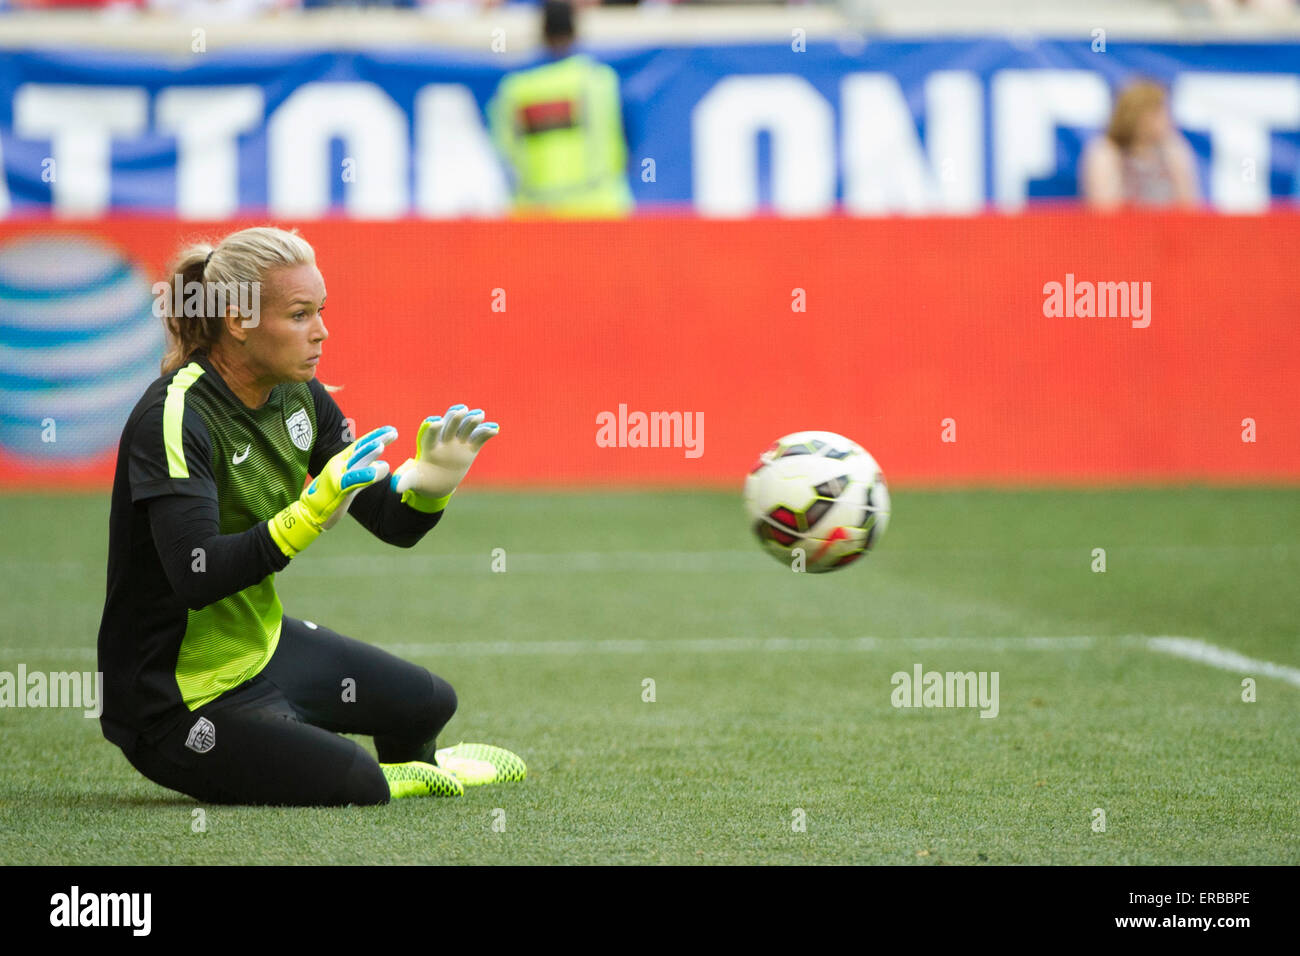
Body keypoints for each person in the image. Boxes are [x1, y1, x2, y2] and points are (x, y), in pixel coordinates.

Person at [97, 225, 524, 806]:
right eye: (300, 315)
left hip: (262, 651)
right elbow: (196, 575)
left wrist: (430, 484)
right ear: (239, 321)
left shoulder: (300, 394)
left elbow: (390, 523)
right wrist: (307, 515)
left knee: (429, 701)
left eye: (320, 310)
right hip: (175, 700)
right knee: (353, 779)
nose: (322, 332)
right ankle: (377, 776)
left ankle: (414, 765)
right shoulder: (174, 416)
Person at [487, 0, 634, 218]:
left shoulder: (514, 89)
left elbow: (503, 148)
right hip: (599, 212)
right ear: (576, 31)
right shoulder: (601, 81)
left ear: (542, 33)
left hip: (536, 215)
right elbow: (631, 139)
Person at [1080, 79, 1200, 210]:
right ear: (1140, 116)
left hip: (1166, 228)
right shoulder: (1107, 151)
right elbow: (1104, 209)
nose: (1167, 119)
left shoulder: (1173, 147)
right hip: (1123, 228)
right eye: (1159, 112)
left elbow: (1189, 206)